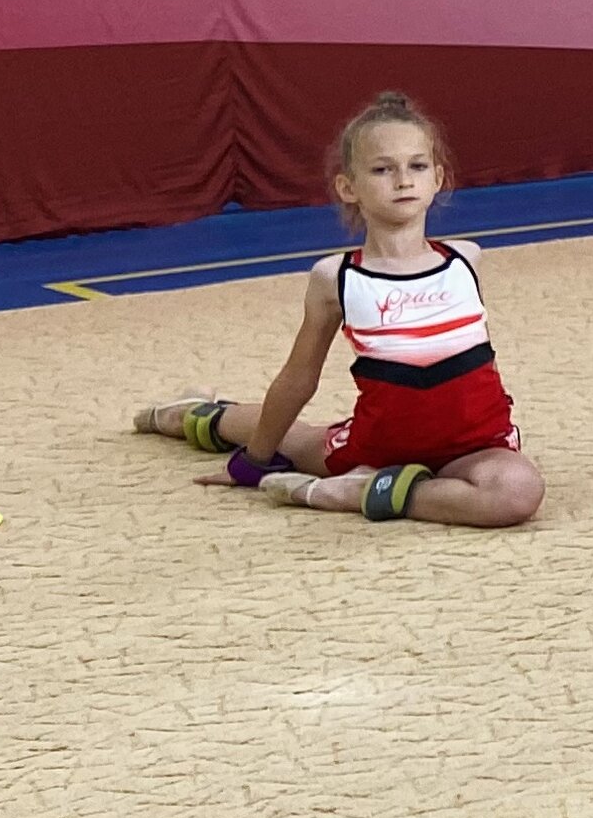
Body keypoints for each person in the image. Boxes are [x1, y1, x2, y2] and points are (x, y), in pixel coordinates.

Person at [128, 94, 546, 526]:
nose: (403, 180)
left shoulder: (465, 260)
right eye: (382, 169)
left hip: (476, 447)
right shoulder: (337, 277)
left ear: (438, 178)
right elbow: (298, 377)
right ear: (349, 187)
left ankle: (363, 490)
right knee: (299, 440)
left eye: (417, 166)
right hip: (375, 445)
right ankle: (197, 413)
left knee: (517, 492)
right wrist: (252, 463)